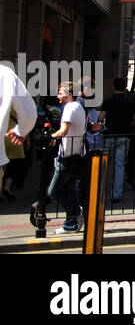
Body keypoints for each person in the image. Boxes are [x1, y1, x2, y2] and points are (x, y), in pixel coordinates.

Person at [45, 81, 86, 234]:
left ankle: (74, 214)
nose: (58, 96)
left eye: (61, 93)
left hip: (66, 157)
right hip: (75, 156)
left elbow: (63, 131)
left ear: (69, 95)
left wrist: (49, 137)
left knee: (53, 191)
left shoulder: (70, 108)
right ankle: (72, 222)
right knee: (69, 189)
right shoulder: (79, 107)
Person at [1, 64, 37, 202]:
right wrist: (21, 131)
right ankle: (7, 187)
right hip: (7, 139)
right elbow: (29, 114)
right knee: (13, 164)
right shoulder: (5, 74)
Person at [100, 78, 135, 205]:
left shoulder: (109, 101)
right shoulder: (129, 102)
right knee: (119, 166)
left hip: (109, 135)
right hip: (124, 135)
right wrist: (127, 125)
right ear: (125, 87)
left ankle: (100, 191)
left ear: (113, 87)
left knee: (103, 166)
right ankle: (116, 193)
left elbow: (101, 117)